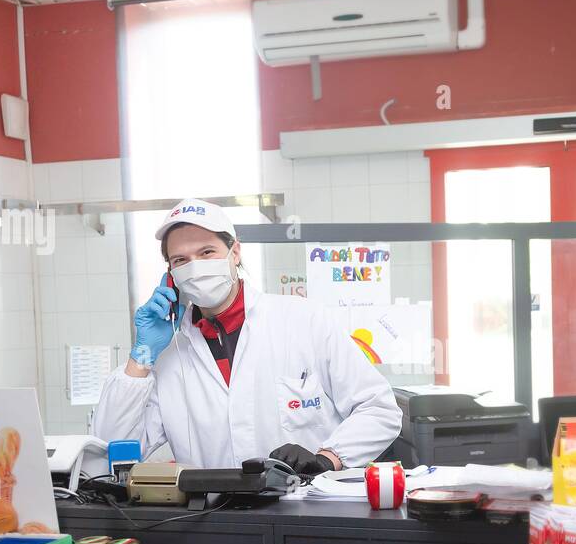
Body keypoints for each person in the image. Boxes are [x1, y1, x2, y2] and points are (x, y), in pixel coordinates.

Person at [92, 199, 400, 474]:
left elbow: (379, 409)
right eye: (181, 260)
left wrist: (327, 458)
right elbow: (108, 453)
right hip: (216, 521)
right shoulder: (168, 355)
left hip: (309, 513)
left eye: (207, 252)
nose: (196, 266)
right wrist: (142, 355)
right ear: (170, 274)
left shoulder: (304, 320)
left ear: (235, 252)